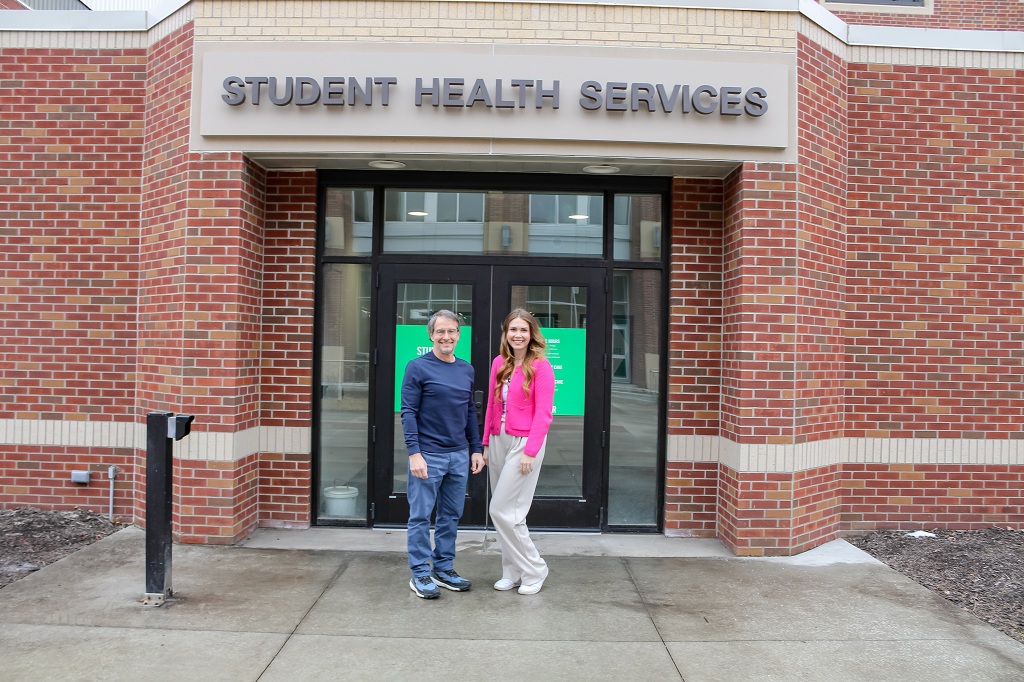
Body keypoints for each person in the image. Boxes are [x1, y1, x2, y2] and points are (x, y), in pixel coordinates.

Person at [401, 309, 485, 599]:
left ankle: (444, 567)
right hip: (428, 456)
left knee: (450, 515)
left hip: (459, 455)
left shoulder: (466, 369)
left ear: (459, 335)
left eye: (452, 331)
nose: (446, 336)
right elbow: (408, 412)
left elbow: (469, 413)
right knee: (421, 516)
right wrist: (414, 453)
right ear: (431, 335)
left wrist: (476, 449)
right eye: (440, 332)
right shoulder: (417, 367)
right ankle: (420, 573)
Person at [481, 309, 555, 595]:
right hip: (499, 439)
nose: (518, 335)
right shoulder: (500, 362)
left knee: (501, 510)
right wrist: (486, 443)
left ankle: (535, 569)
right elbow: (490, 405)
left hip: (525, 443)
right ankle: (511, 571)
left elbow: (544, 414)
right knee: (510, 514)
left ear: (531, 334)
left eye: (523, 329)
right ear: (506, 333)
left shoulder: (541, 367)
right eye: (513, 329)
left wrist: (531, 452)